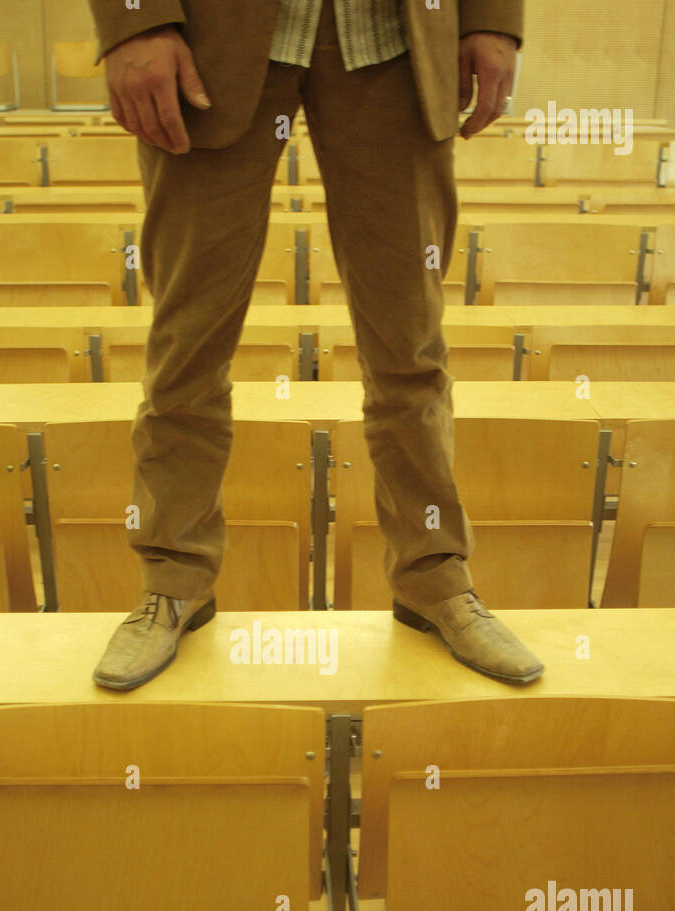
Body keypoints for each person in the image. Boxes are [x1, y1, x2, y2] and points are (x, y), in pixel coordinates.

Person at [88, 0, 544, 689]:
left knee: (410, 348)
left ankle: (434, 577)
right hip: (209, 38)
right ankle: (172, 581)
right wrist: (135, 21)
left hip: (397, 39)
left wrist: (491, 16)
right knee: (186, 346)